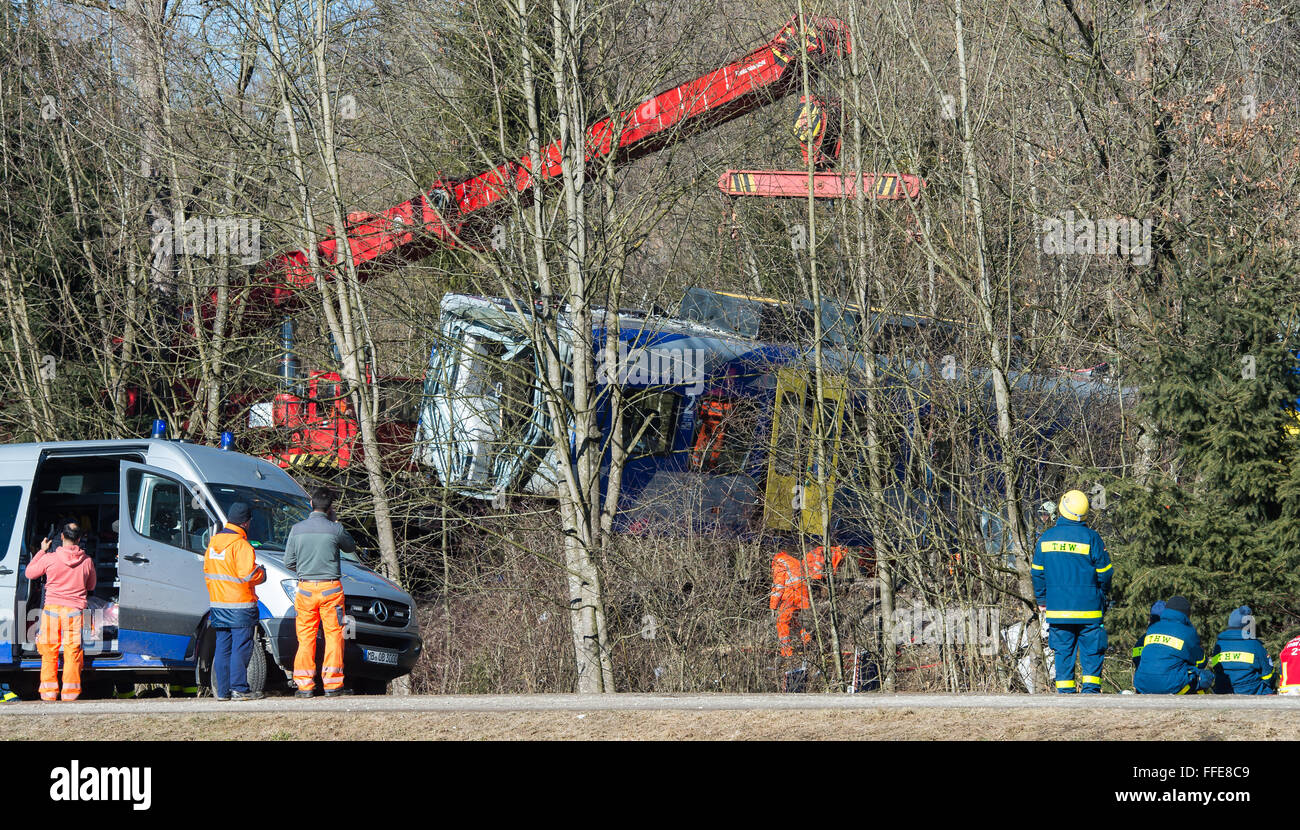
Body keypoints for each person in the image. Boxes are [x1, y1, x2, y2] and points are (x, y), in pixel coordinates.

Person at [1031, 489, 1112, 693]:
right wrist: (1102, 595)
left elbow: (1037, 574)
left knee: (1063, 653)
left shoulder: (1046, 538)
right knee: (1092, 652)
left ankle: (1065, 695)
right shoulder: (1092, 538)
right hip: (1090, 610)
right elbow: (1105, 573)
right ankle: (1091, 694)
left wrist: (1042, 600)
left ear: (1062, 508)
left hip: (1059, 611)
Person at [284, 487, 356, 697]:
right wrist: (335, 523)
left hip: (305, 589)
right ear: (331, 508)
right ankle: (333, 685)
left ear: (311, 505)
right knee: (334, 635)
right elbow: (350, 547)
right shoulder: (335, 529)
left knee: (305, 637)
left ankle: (305, 686)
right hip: (331, 589)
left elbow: (289, 562)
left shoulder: (297, 529)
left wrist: (307, 571)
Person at [203, 502, 267, 701]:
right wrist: (262, 573)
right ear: (246, 523)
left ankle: (223, 692)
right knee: (241, 647)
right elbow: (247, 574)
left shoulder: (213, 543)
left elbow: (208, 571)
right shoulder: (241, 545)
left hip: (218, 604)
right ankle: (239, 689)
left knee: (222, 648)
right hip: (240, 606)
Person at [25, 524, 95, 701]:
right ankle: (70, 695)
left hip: (52, 611)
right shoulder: (87, 561)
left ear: (62, 536)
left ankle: (49, 694)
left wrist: (41, 551)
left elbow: (29, 573)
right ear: (79, 539)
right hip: (75, 611)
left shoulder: (50, 558)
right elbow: (91, 586)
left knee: (49, 652)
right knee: (72, 652)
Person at [768, 545, 844, 658]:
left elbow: (778, 587)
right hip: (801, 595)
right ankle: (807, 640)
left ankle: (786, 652)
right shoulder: (791, 560)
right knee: (793, 621)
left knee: (781, 622)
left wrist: (773, 606)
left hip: (791, 595)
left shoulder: (779, 563)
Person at [1133, 596, 1214, 694]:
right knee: (1206, 676)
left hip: (1142, 685)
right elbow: (1200, 662)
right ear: (1187, 614)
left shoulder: (1152, 629)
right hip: (1170, 686)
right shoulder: (1187, 632)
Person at [1209, 605, 1274, 695]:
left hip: (1222, 690)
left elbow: (1216, 668)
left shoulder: (1219, 644)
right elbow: (1268, 673)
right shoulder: (1254, 644)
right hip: (1251, 691)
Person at [1131, 600, 1165, 672]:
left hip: (1142, 680)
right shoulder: (1172, 639)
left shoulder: (1141, 640)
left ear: (1150, 618)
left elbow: (1136, 659)